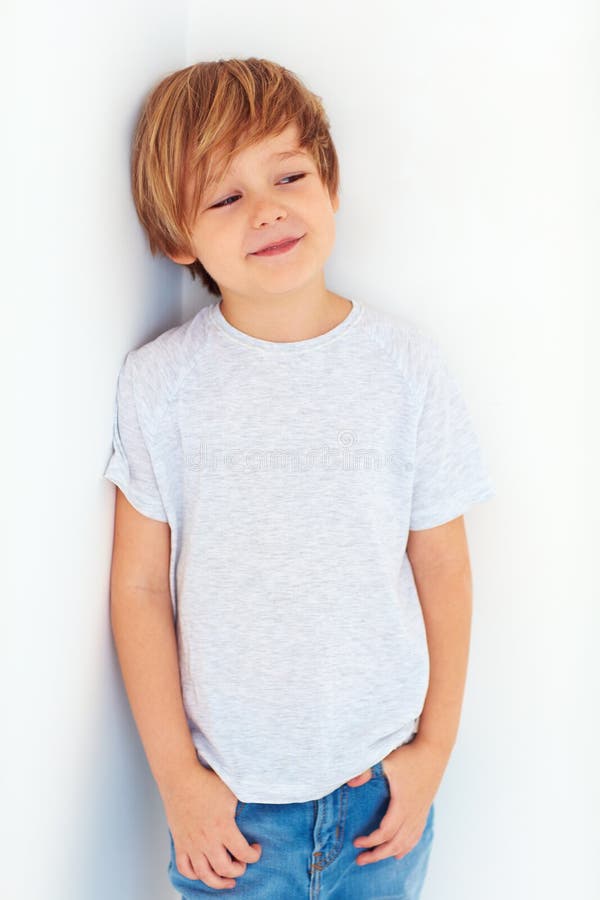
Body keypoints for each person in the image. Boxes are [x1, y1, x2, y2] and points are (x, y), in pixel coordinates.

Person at [103, 57, 496, 898]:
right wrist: (177, 781)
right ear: (177, 239)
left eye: (289, 176)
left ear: (330, 186)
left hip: (381, 795)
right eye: (225, 196)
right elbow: (137, 588)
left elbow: (443, 564)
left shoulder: (406, 368)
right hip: (229, 816)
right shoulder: (160, 384)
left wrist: (434, 751)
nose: (268, 209)